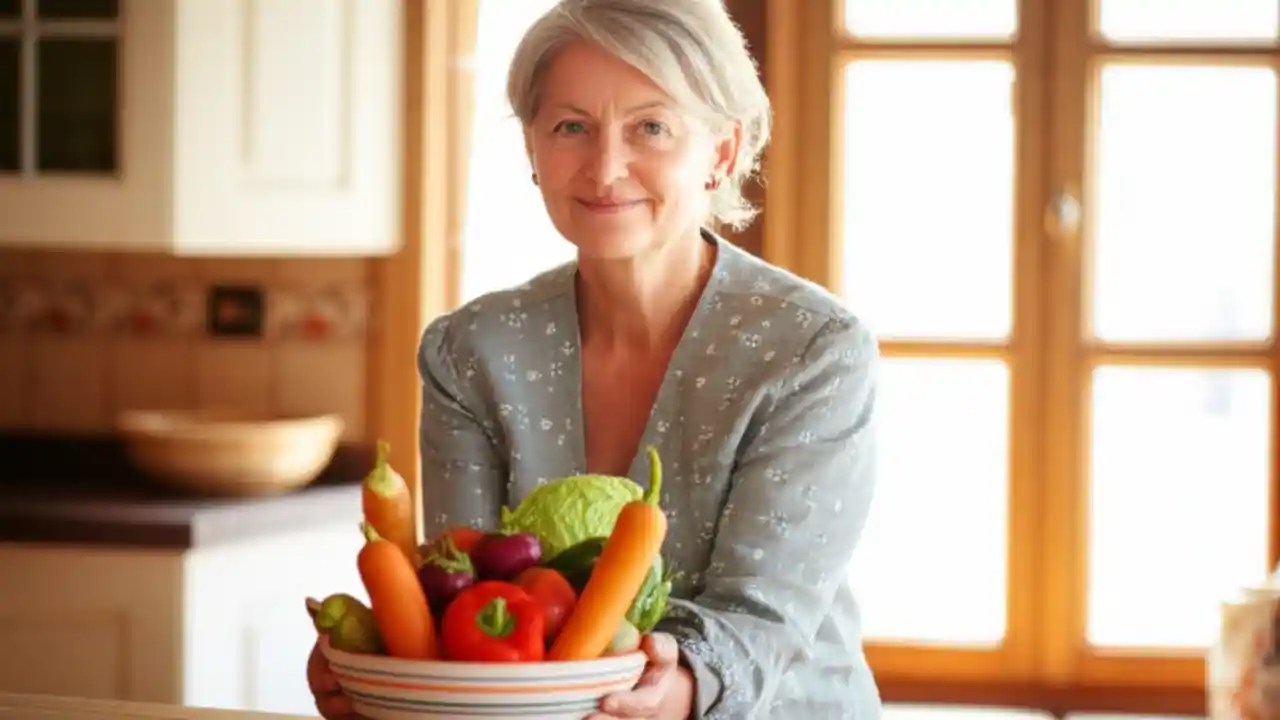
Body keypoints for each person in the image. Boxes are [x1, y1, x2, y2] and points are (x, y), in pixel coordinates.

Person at [308, 0, 882, 717]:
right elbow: (468, 591)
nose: (606, 168)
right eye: (571, 127)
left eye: (651, 127)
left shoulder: (812, 350)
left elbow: (763, 619)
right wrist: (386, 664)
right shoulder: (469, 352)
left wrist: (672, 688)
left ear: (724, 151)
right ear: (532, 150)